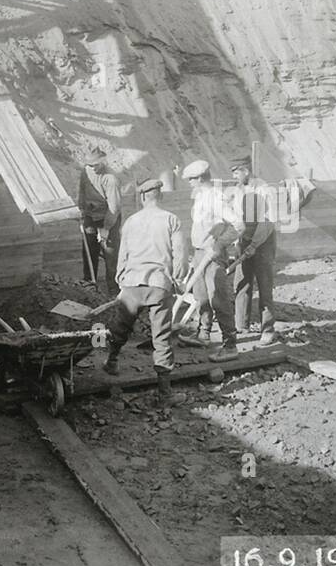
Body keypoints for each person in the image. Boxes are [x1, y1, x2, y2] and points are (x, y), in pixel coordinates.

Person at [103, 178, 188, 407]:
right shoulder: (171, 219)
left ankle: (111, 361)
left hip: (132, 282)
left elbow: (123, 253)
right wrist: (178, 279)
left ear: (142, 197)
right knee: (161, 337)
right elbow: (180, 255)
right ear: (160, 196)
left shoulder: (131, 221)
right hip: (159, 285)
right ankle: (164, 392)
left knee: (120, 327)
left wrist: (120, 277)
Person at [181, 158, 238, 359]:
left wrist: (220, 244)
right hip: (199, 253)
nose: (188, 183)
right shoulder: (200, 197)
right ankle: (204, 334)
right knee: (202, 297)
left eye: (190, 180)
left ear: (199, 178)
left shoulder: (216, 198)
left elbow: (238, 226)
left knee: (219, 299)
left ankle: (230, 344)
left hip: (213, 255)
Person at [227, 158, 278, 346]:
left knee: (264, 286)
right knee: (241, 282)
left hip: (263, 242)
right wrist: (238, 240)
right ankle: (241, 326)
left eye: (236, 172)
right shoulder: (239, 190)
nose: (234, 176)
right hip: (244, 239)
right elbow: (236, 217)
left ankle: (268, 330)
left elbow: (268, 221)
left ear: (246, 170)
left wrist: (254, 244)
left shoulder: (264, 189)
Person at [78, 152, 123, 296]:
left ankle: (113, 290)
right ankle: (89, 284)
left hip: (108, 217)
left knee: (110, 254)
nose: (93, 168)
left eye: (96, 165)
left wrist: (106, 228)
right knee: (89, 252)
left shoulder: (110, 178)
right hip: (91, 216)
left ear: (103, 162)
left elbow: (114, 208)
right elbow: (82, 191)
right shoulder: (86, 171)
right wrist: (82, 209)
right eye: (90, 165)